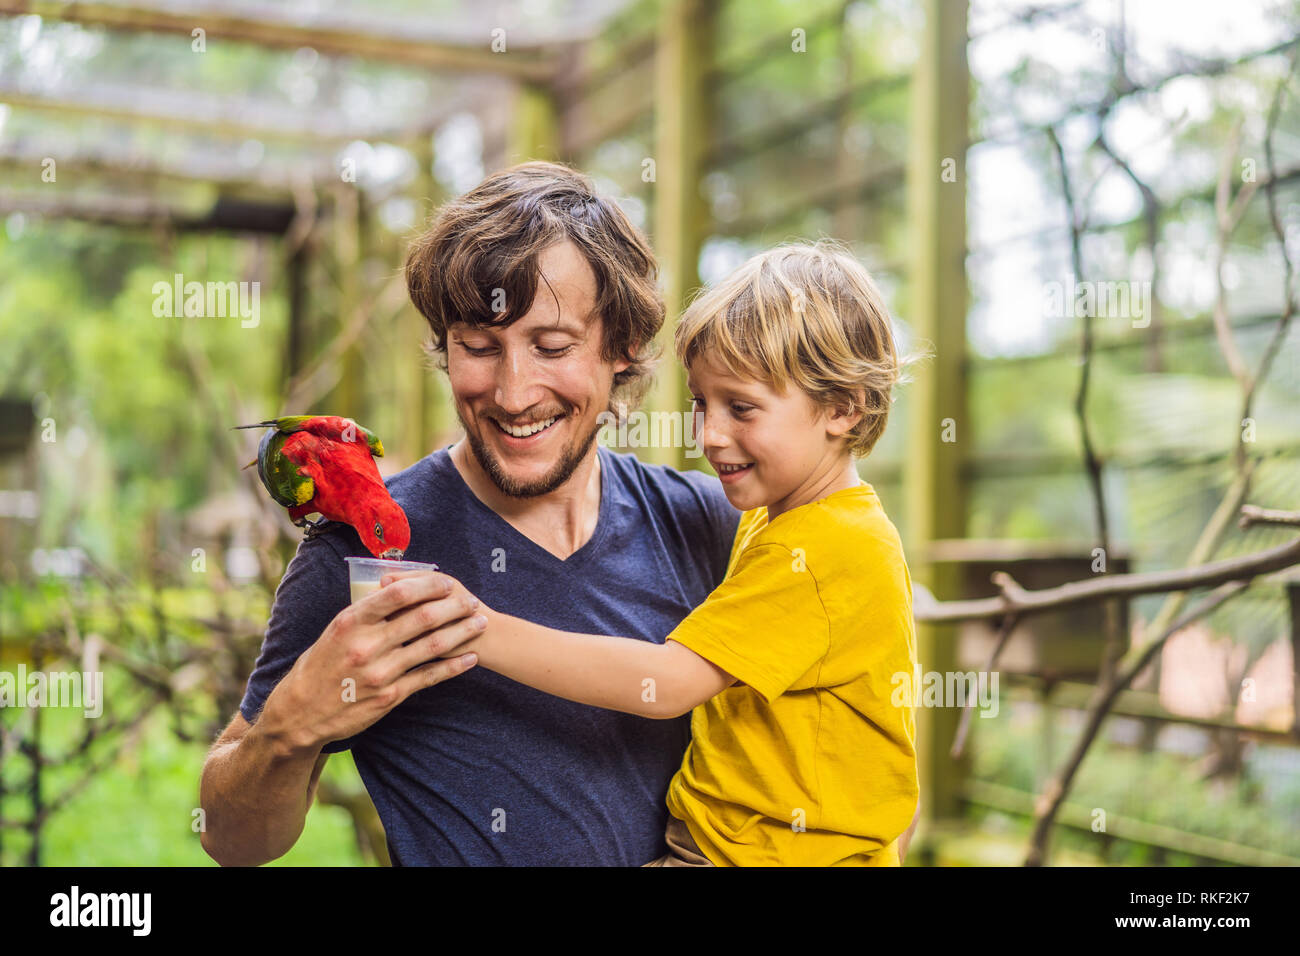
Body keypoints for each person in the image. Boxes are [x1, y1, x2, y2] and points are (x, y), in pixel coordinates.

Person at [198, 161, 741, 866]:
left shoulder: (708, 526)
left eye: (552, 346)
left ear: (623, 348)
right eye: (479, 347)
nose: (514, 393)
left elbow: (854, 752)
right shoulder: (366, 555)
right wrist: (289, 729)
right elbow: (228, 841)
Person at [401, 241, 922, 865]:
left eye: (743, 408)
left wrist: (469, 629)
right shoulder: (795, 523)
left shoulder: (822, 547)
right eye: (703, 403)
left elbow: (668, 683)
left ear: (843, 407)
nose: (710, 435)